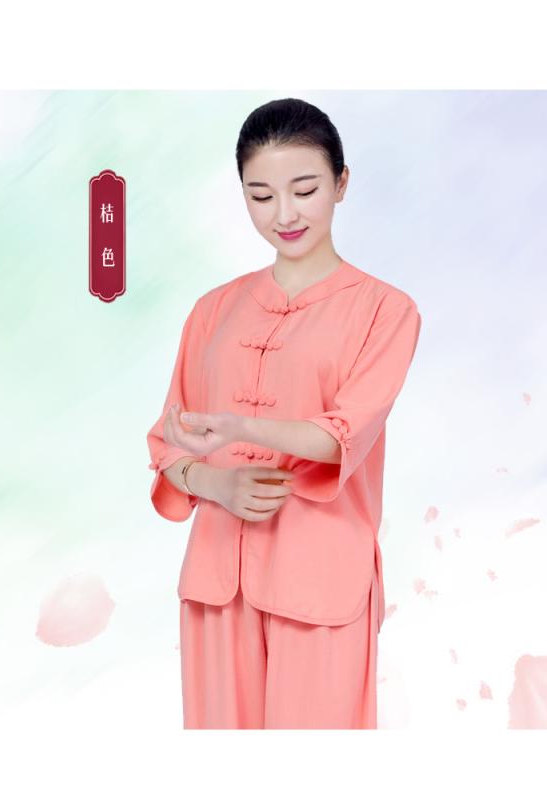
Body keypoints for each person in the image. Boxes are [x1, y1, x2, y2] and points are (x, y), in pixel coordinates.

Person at [146, 97, 422, 729]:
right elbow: (168, 441)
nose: (285, 214)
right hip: (217, 583)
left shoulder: (386, 311)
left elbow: (343, 435)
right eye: (261, 195)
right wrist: (214, 481)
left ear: (341, 183)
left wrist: (242, 427)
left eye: (305, 190)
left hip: (321, 580)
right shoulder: (212, 310)